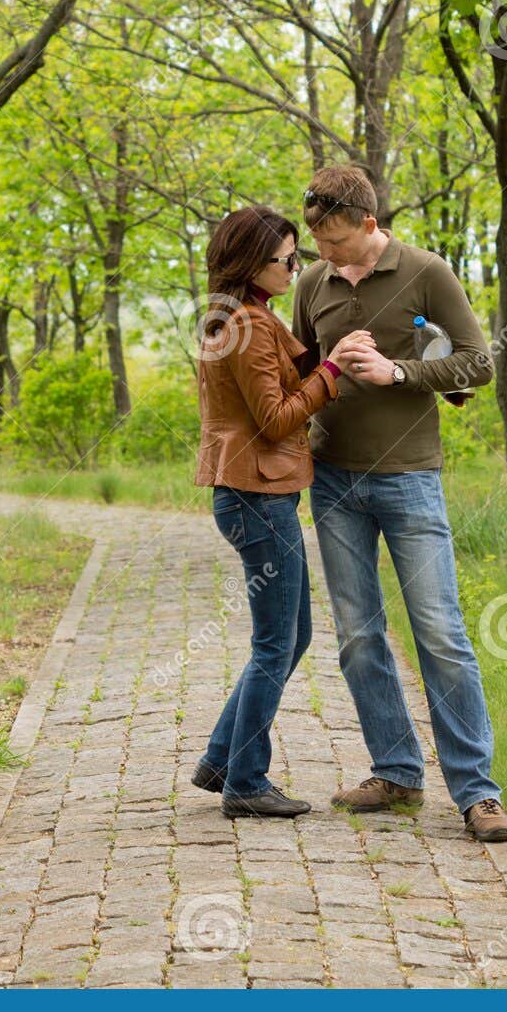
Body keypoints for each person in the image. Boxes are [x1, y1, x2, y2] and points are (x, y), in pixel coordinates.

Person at [293, 164, 507, 842]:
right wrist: (329, 365)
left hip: (410, 478)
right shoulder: (311, 284)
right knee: (359, 637)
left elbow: (478, 363)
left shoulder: (427, 273)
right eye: (318, 247)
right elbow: (301, 370)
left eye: (337, 243)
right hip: (333, 481)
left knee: (440, 633)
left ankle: (477, 793)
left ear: (369, 223)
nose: (326, 257)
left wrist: (398, 372)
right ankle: (396, 771)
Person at [191, 206, 369, 820]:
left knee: (289, 638)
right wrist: (331, 371)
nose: (297, 268)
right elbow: (276, 418)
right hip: (256, 495)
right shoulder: (245, 322)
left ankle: (221, 758)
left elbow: (285, 371)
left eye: (299, 258)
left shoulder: (244, 317)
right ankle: (245, 782)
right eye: (287, 260)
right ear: (251, 263)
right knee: (277, 643)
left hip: (252, 494)